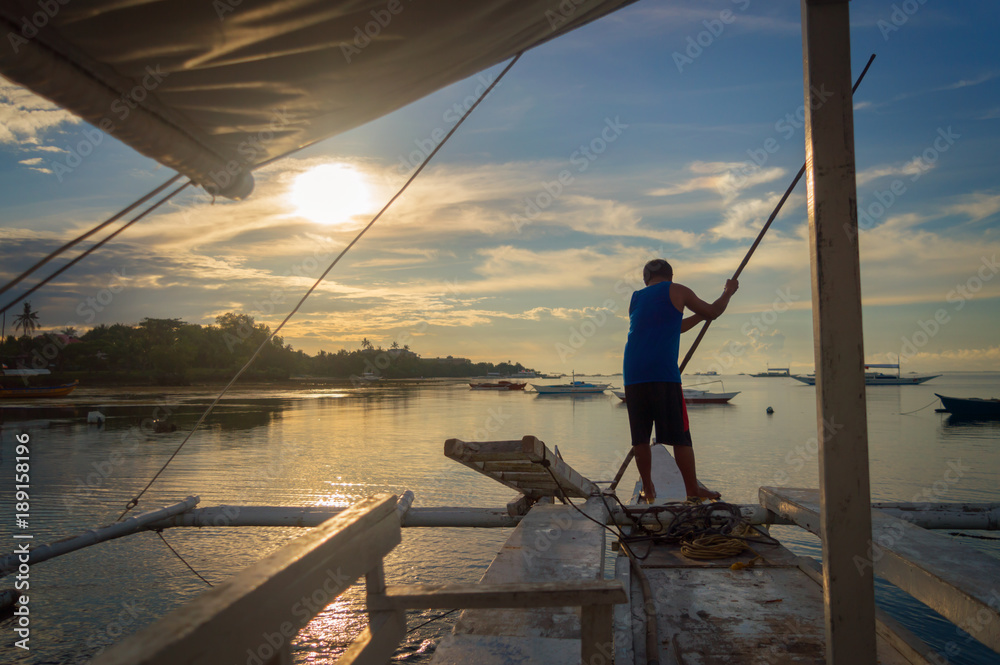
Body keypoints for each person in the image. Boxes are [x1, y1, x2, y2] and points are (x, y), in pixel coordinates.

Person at [623, 258, 738, 502]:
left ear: (646, 279)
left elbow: (672, 326)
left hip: (633, 373)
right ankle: (692, 491)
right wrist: (728, 292)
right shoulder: (678, 290)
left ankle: (648, 489)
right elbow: (714, 311)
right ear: (671, 276)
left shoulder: (636, 298)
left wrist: (700, 318)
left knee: (640, 437)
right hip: (663, 373)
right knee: (680, 436)